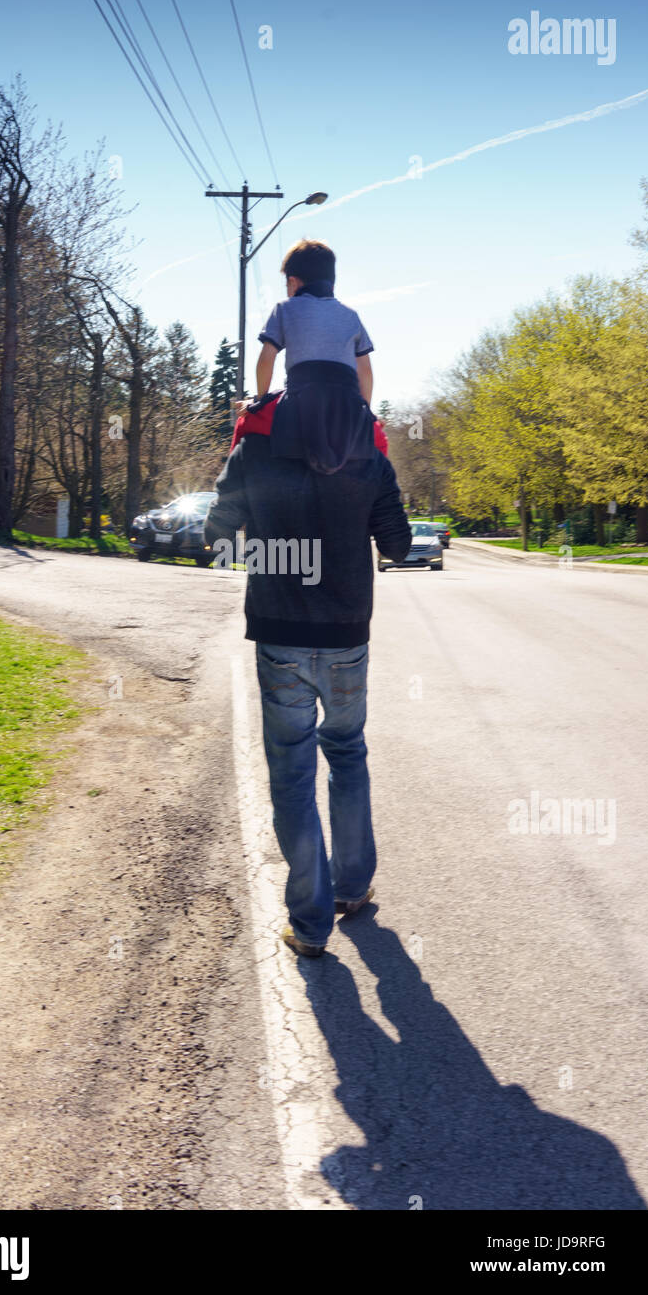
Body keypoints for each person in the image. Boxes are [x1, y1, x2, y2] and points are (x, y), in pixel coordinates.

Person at [204, 370, 412, 958]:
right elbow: (398, 546)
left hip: (280, 633)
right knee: (347, 752)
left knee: (293, 777)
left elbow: (217, 536)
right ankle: (352, 885)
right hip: (347, 633)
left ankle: (312, 924)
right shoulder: (368, 453)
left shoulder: (255, 444)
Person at [255, 239, 374, 405]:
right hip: (346, 406)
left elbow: (266, 359)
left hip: (300, 404)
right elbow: (365, 370)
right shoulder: (351, 316)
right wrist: (365, 410)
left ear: (293, 283)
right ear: (332, 285)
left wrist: (260, 400)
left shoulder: (284, 309)